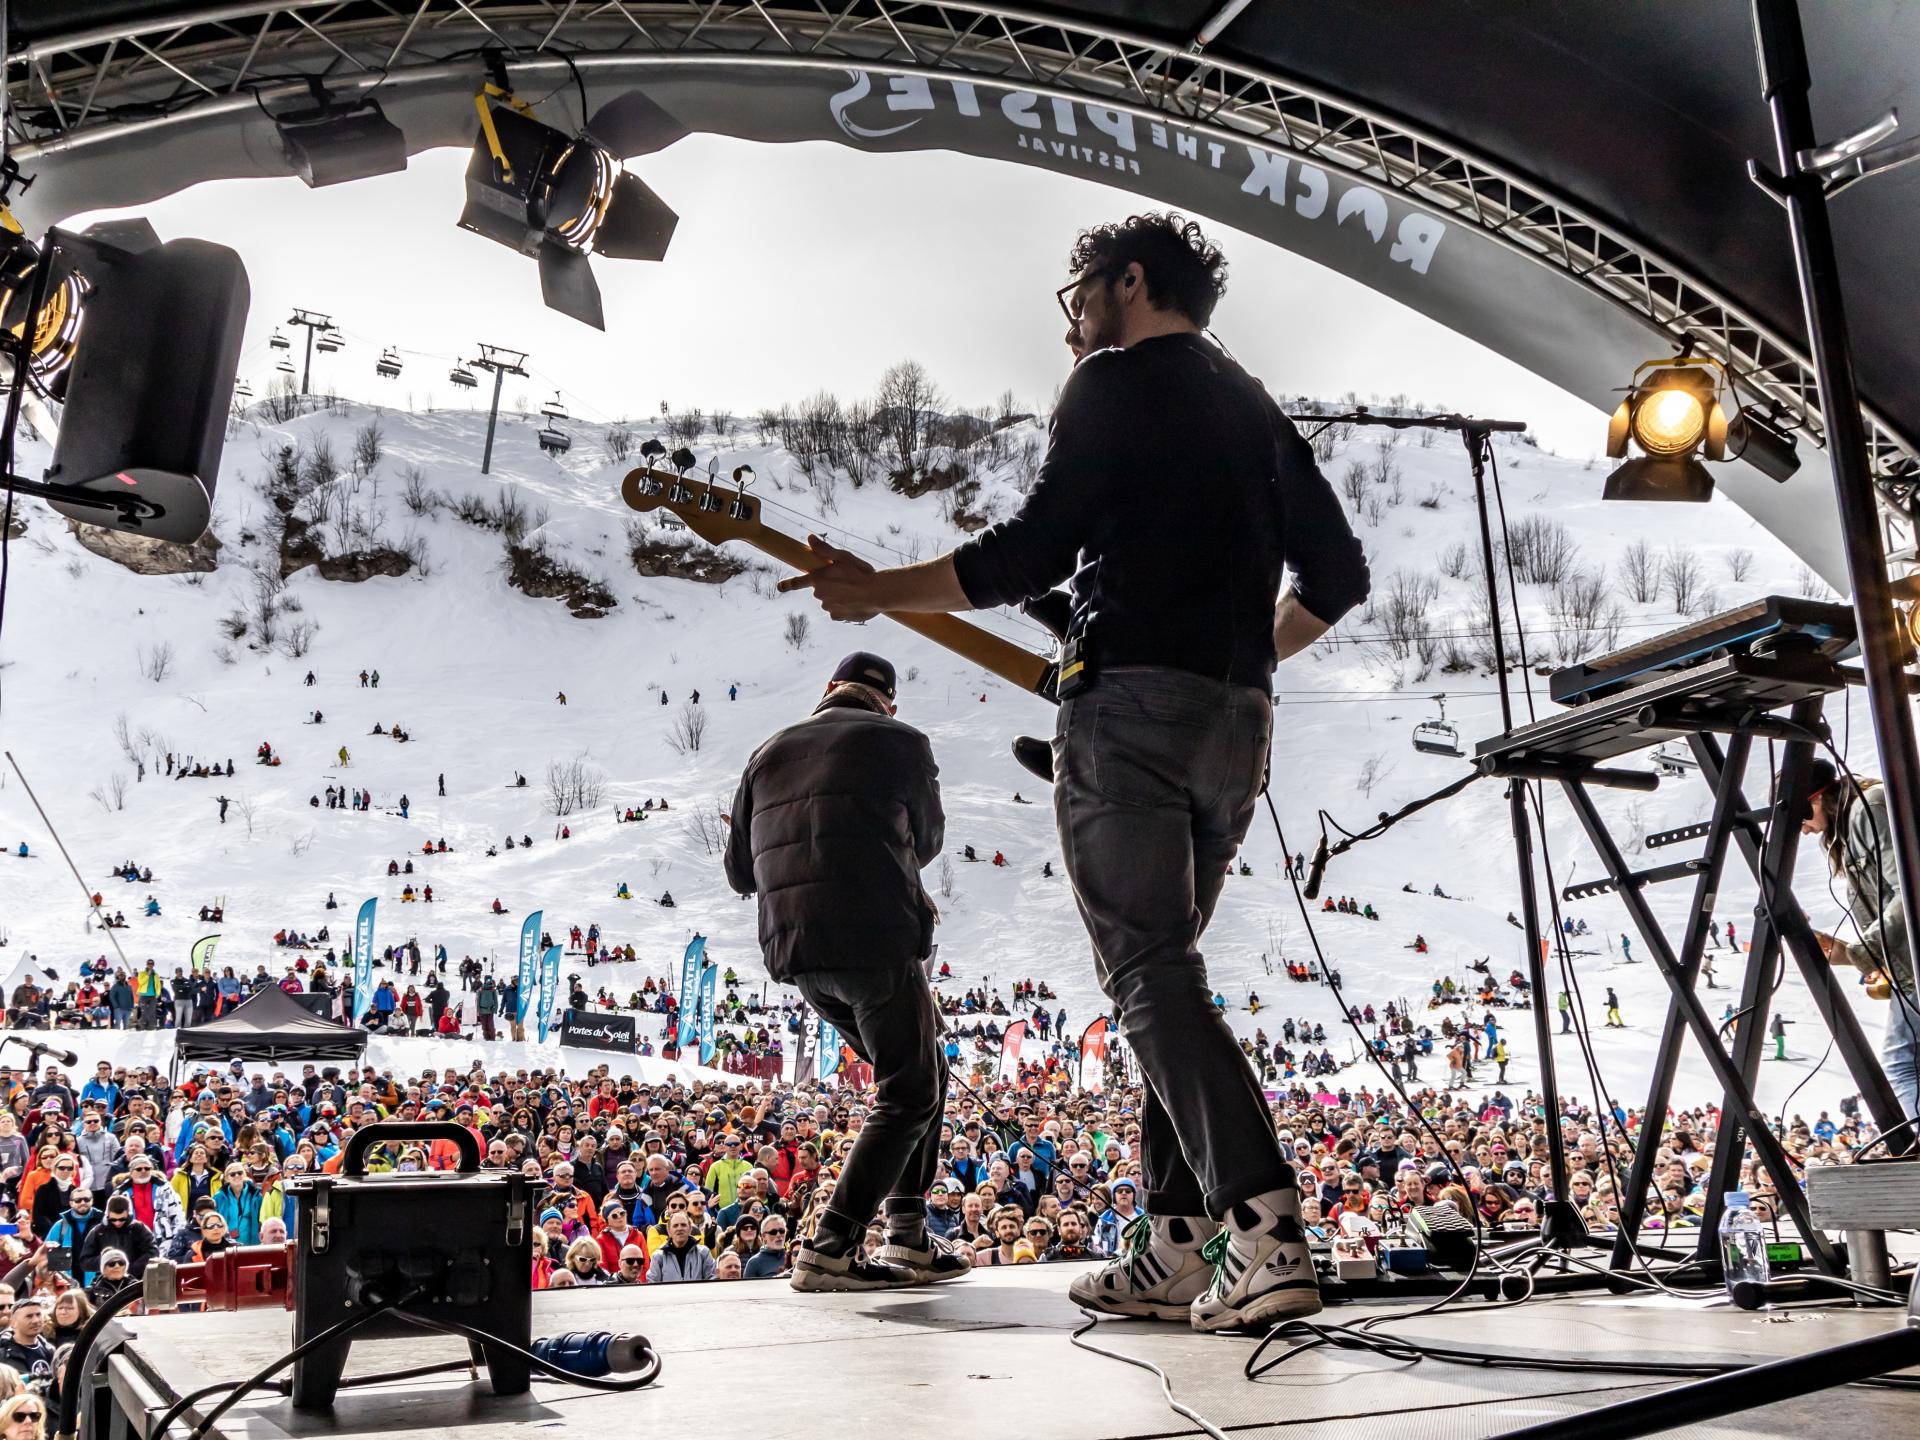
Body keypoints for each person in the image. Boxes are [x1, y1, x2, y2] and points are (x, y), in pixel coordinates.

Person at [777, 215, 1368, 1331]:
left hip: (1131, 713)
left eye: (1081, 288)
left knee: (1147, 974)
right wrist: (1236, 661)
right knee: (1172, 972)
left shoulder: (1113, 379)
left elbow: (1030, 551)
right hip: (1236, 722)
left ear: (1130, 282)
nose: (1074, 313)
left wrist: (875, 593)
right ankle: (1181, 1239)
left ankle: (1263, 1229)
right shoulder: (1249, 403)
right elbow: (1337, 573)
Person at [724, 652, 964, 1293]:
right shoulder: (901, 741)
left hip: (799, 952)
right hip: (875, 938)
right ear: (889, 702)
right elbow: (930, 839)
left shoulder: (765, 752)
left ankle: (908, 1237)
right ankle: (832, 1246)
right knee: (909, 1091)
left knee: (922, 1071)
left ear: (830, 689)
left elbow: (740, 872)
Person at [1799, 758, 1918, 1119]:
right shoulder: (1849, 826)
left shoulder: (1870, 809)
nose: (1803, 831)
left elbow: (1909, 891)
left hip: (1913, 965)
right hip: (1906, 967)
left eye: (1799, 819)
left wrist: (1862, 950)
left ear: (1815, 800)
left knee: (1901, 1062)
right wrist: (1845, 952)